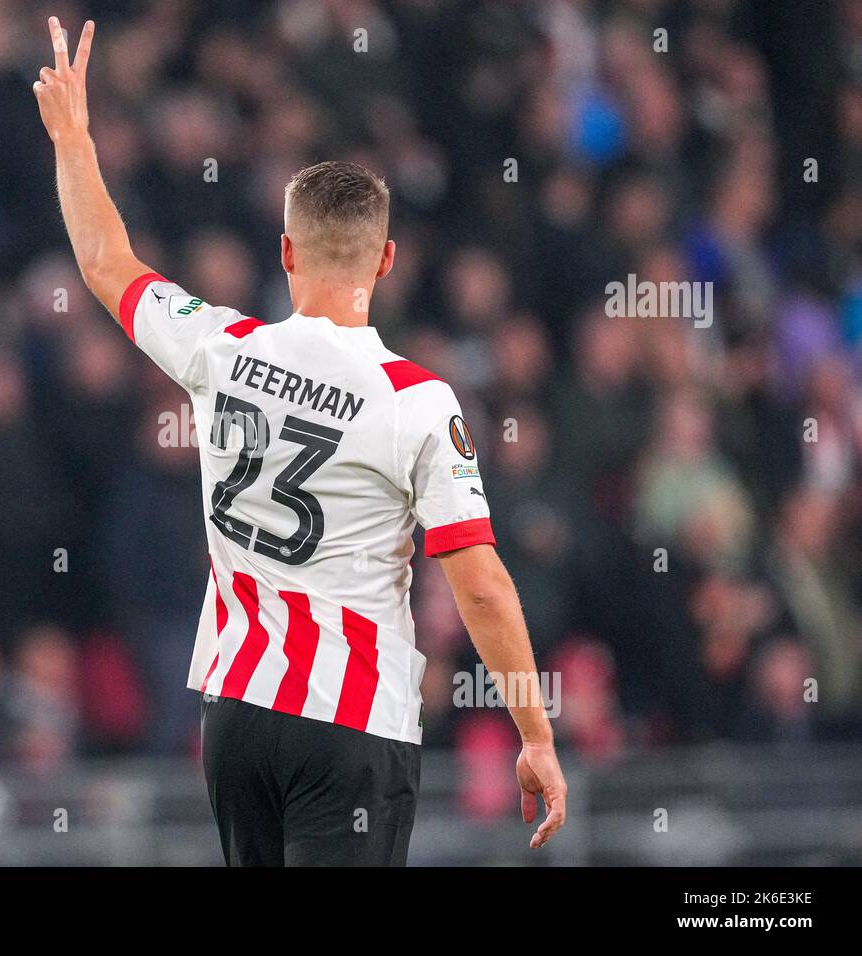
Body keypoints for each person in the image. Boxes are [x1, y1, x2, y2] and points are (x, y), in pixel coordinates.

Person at [32, 16, 567, 866]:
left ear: (286, 252)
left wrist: (73, 137)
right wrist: (534, 731)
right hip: (352, 720)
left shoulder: (221, 348)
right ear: (385, 261)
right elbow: (481, 585)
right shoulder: (418, 401)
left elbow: (106, 263)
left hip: (237, 709)